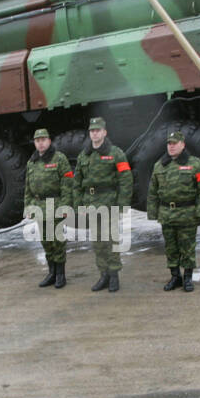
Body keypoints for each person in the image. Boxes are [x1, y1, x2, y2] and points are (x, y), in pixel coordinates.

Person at [146, 130, 200, 292]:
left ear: (183, 145)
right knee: (170, 247)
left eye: (175, 143)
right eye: (169, 143)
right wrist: (153, 212)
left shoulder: (196, 164)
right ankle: (175, 276)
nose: (171, 146)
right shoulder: (160, 165)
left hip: (187, 213)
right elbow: (153, 191)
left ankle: (188, 278)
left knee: (187, 247)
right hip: (167, 214)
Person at [73, 116, 133, 293]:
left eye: (98, 130)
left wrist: (122, 205)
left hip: (110, 203)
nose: (94, 133)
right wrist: (79, 206)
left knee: (111, 241)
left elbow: (126, 180)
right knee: (98, 242)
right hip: (91, 205)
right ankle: (103, 275)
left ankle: (114, 275)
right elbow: (77, 183)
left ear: (104, 132)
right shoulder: (84, 155)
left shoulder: (116, 153)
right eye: (92, 131)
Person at [23, 128, 73, 288]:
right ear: (35, 143)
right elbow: (28, 188)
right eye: (38, 140)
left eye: (43, 140)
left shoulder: (59, 159)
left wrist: (65, 206)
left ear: (49, 141)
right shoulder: (32, 162)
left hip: (56, 204)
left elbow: (67, 184)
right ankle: (51, 273)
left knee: (58, 241)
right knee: (46, 240)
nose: (41, 143)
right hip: (39, 207)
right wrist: (28, 207)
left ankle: (60, 274)